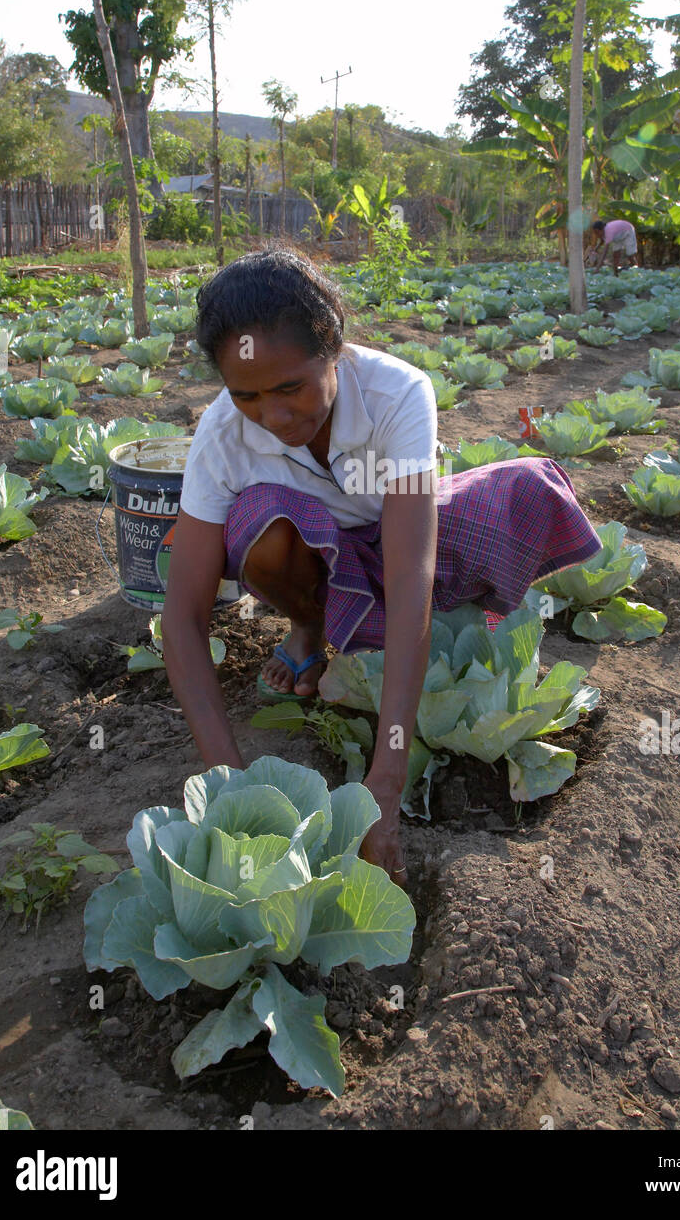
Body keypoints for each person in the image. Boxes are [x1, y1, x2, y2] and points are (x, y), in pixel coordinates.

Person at [161, 247, 602, 885]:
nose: (274, 416)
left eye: (292, 387)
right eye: (247, 395)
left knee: (527, 485)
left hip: (399, 534)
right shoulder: (222, 436)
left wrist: (386, 778)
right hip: (317, 557)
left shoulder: (397, 391)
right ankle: (310, 628)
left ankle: (450, 622)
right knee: (257, 519)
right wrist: (228, 785)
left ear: (335, 349)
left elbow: (408, 574)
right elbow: (182, 616)